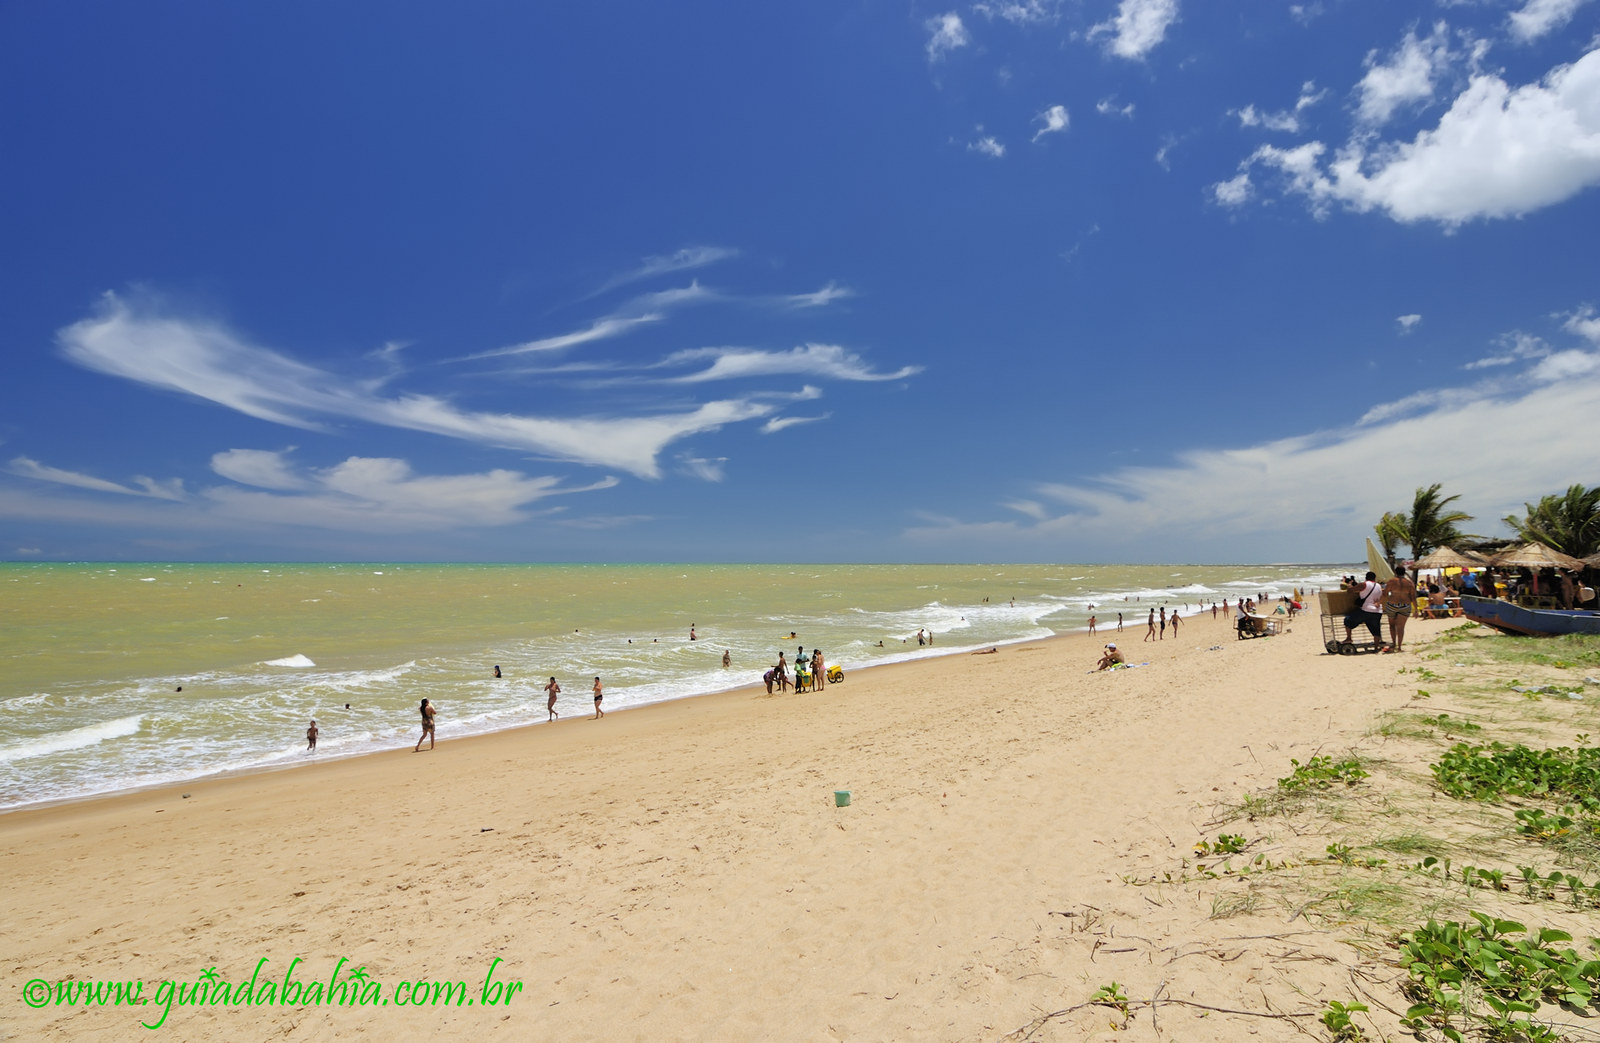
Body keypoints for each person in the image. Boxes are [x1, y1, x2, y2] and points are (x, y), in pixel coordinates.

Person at [1343, 571, 1384, 646]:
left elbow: (1350, 590)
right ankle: (1376, 646)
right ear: (1375, 578)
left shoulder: (1364, 584)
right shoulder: (1378, 585)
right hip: (1378, 611)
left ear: (1366, 577)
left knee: (1347, 620)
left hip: (1366, 610)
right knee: (1376, 630)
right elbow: (1383, 595)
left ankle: (1349, 638)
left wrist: (1349, 584)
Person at [1382, 566, 1417, 652]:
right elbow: (1413, 597)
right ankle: (1400, 647)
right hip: (1405, 605)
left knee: (1392, 626)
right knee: (1401, 627)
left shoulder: (1392, 581)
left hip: (1392, 604)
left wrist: (1379, 603)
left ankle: (1394, 644)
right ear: (1404, 572)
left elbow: (1385, 593)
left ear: (1395, 572)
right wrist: (1416, 609)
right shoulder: (1409, 583)